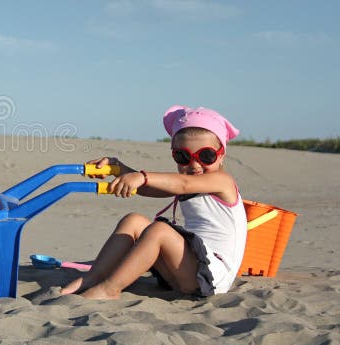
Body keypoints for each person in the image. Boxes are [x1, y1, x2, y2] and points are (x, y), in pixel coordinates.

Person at [60, 105, 246, 300]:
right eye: (183, 156)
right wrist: (120, 169)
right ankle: (93, 277)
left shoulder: (222, 181)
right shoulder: (191, 180)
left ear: (222, 154)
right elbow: (147, 188)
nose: (195, 165)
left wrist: (141, 176)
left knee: (159, 230)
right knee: (133, 221)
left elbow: (182, 184)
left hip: (211, 277)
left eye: (206, 156)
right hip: (183, 269)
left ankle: (109, 289)